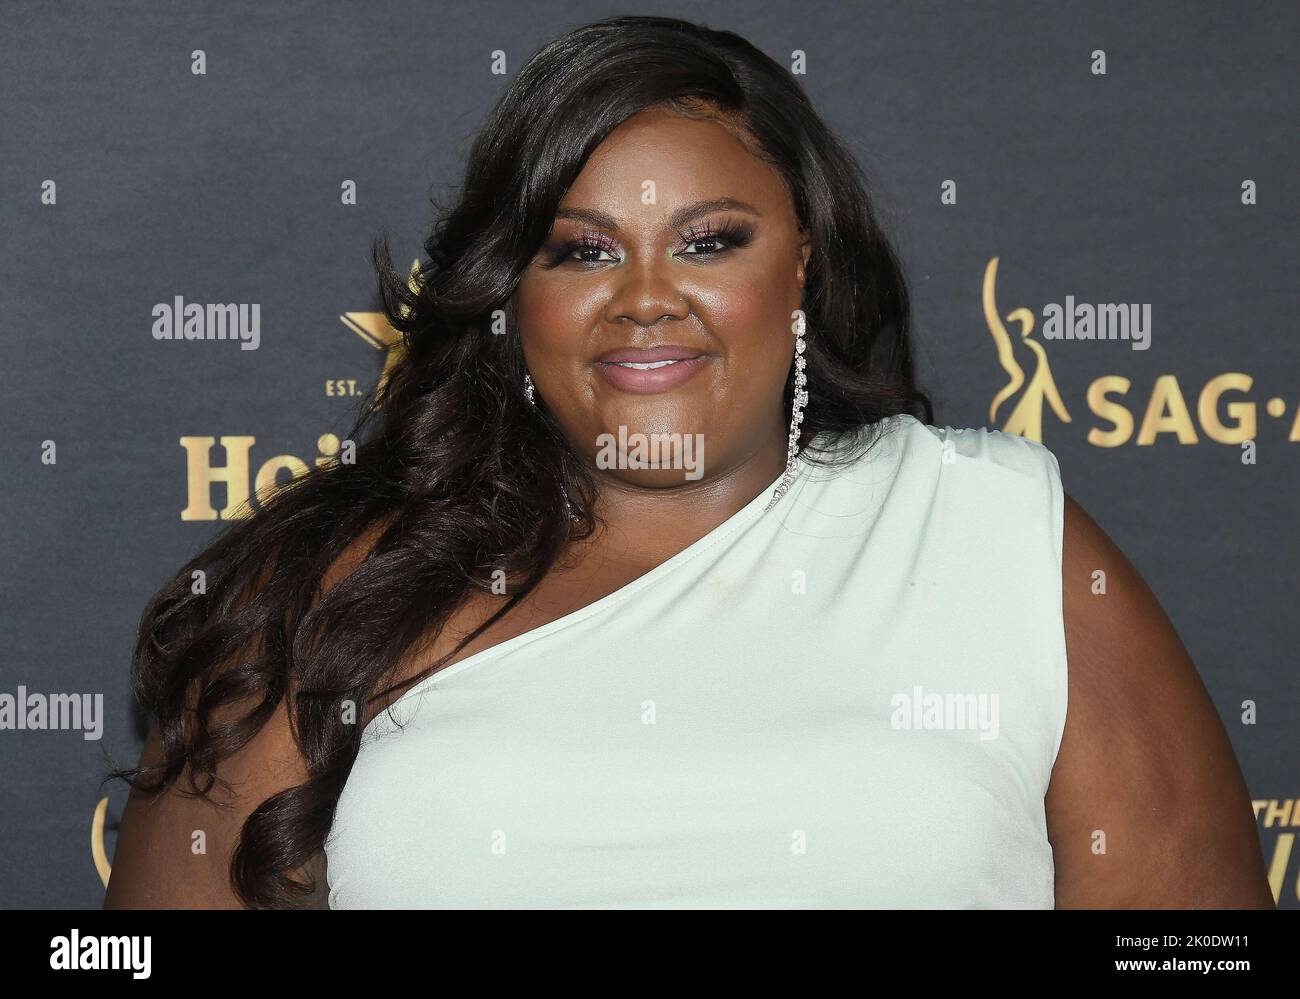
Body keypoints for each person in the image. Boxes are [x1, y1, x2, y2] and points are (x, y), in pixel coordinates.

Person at [103, 14, 1273, 909]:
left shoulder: (996, 532)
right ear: (513, 296)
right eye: (582, 250)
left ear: (803, 263)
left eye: (710, 240)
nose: (647, 299)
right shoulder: (327, 591)